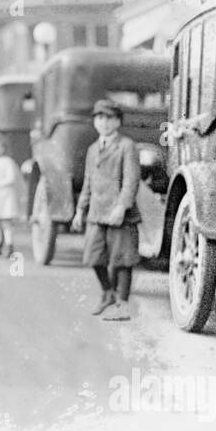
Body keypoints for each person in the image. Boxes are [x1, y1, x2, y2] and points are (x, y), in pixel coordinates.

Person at [70, 99, 142, 321]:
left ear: (118, 121)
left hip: (120, 213)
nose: (104, 123)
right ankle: (107, 293)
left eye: (110, 118)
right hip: (97, 212)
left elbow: (132, 180)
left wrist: (122, 206)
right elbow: (88, 182)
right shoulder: (93, 149)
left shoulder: (126, 145)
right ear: (94, 121)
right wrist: (80, 210)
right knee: (94, 257)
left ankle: (122, 305)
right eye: (100, 118)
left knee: (122, 260)